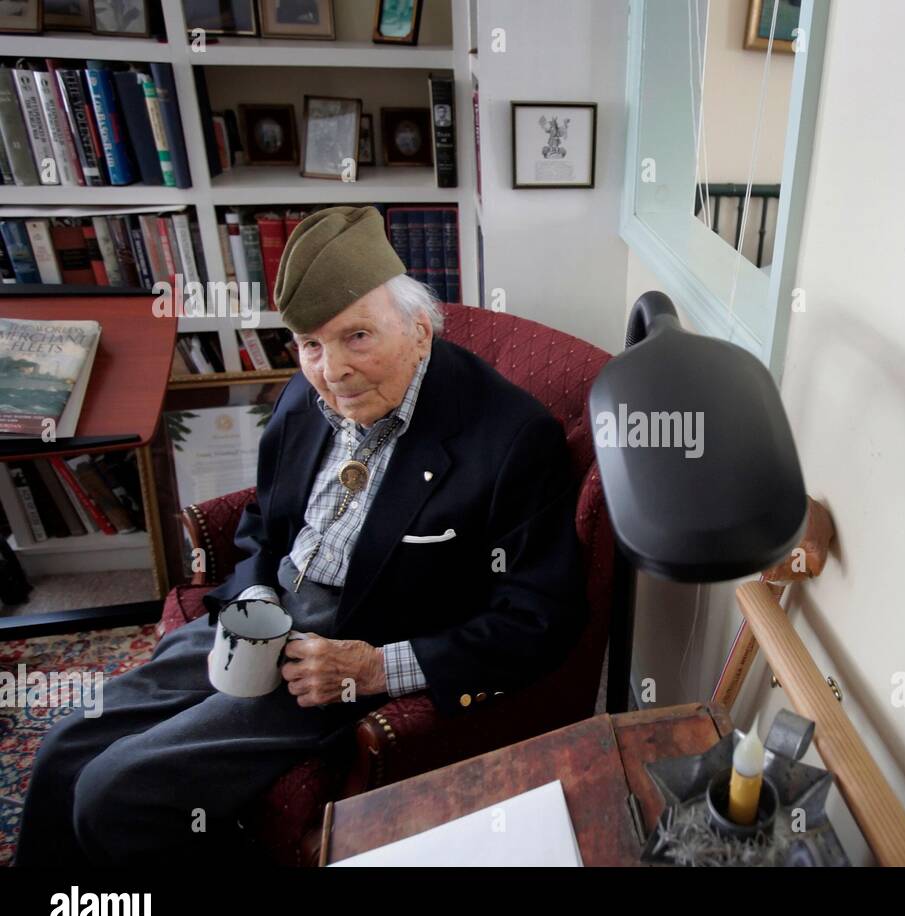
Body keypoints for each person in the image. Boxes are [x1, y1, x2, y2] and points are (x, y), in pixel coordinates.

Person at [15, 206, 588, 865]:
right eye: (311, 344)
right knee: (65, 745)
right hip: (259, 618)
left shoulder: (513, 440)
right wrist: (252, 599)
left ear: (419, 330)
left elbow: (538, 621)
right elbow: (265, 525)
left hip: (343, 655)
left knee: (115, 792)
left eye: (357, 338)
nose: (332, 370)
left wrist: (374, 667)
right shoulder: (305, 391)